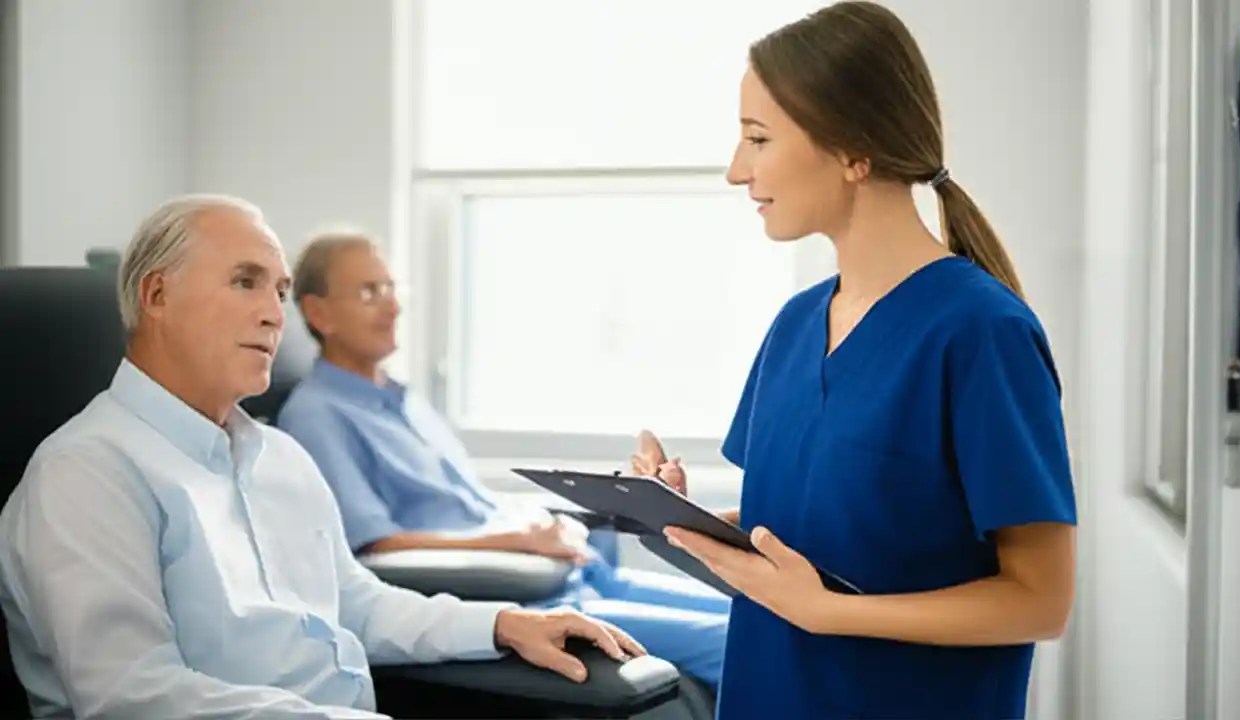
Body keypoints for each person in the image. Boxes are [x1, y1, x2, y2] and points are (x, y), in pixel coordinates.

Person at [0, 195, 643, 719]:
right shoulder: (86, 475)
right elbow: (131, 699)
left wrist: (503, 624)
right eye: (245, 282)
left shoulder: (279, 456)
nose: (272, 314)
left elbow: (357, 604)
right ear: (157, 296)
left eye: (279, 291)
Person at [645, 3, 1078, 718]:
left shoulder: (981, 332)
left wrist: (832, 614)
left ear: (853, 152)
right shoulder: (794, 325)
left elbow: (1040, 601)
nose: (734, 170)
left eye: (758, 138)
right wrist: (678, 520)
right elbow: (811, 544)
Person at [275, 232, 729, 691]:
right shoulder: (317, 416)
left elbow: (467, 504)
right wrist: (517, 541)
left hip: (580, 574)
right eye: (370, 292)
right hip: (518, 597)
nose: (392, 306)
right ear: (319, 312)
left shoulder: (401, 400)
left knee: (756, 616)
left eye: (391, 288)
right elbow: (372, 547)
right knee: (733, 642)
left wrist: (556, 518)